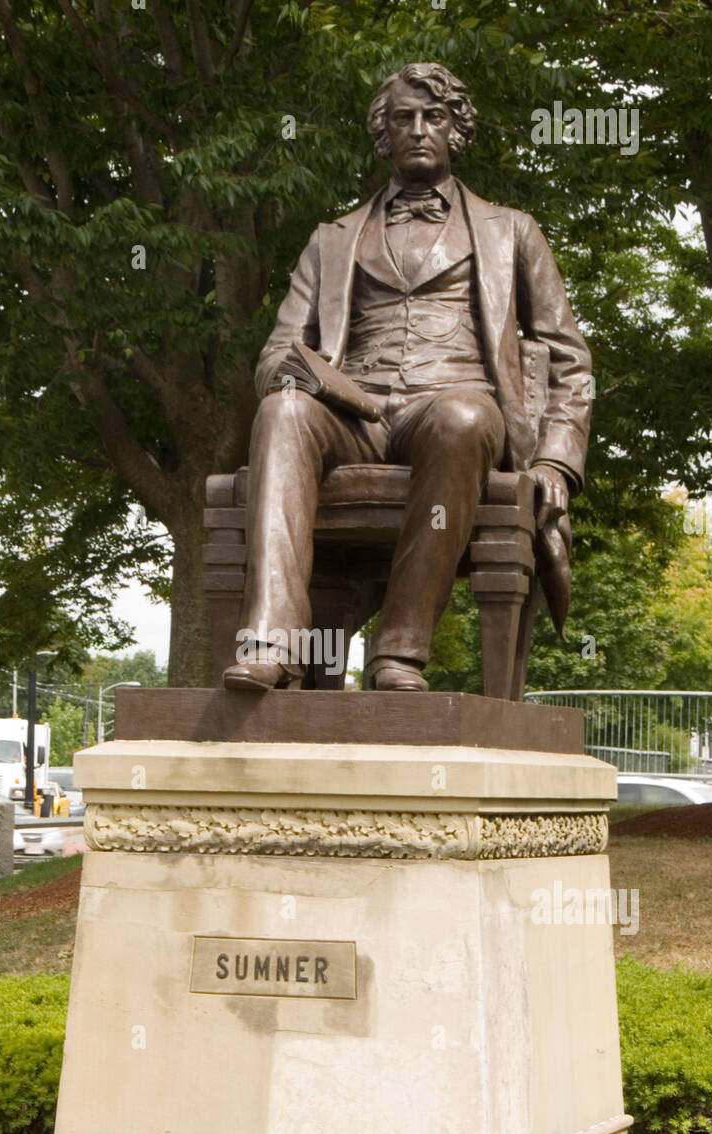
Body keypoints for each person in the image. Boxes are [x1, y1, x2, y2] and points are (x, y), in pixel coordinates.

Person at [223, 61, 592, 692]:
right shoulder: (331, 239)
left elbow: (569, 359)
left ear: (457, 131)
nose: (419, 129)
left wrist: (557, 462)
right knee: (281, 409)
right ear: (383, 135)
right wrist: (297, 372)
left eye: (434, 117)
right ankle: (271, 643)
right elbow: (275, 353)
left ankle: (399, 651)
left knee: (466, 417)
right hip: (353, 415)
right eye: (403, 118)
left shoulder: (513, 232)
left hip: (452, 407)